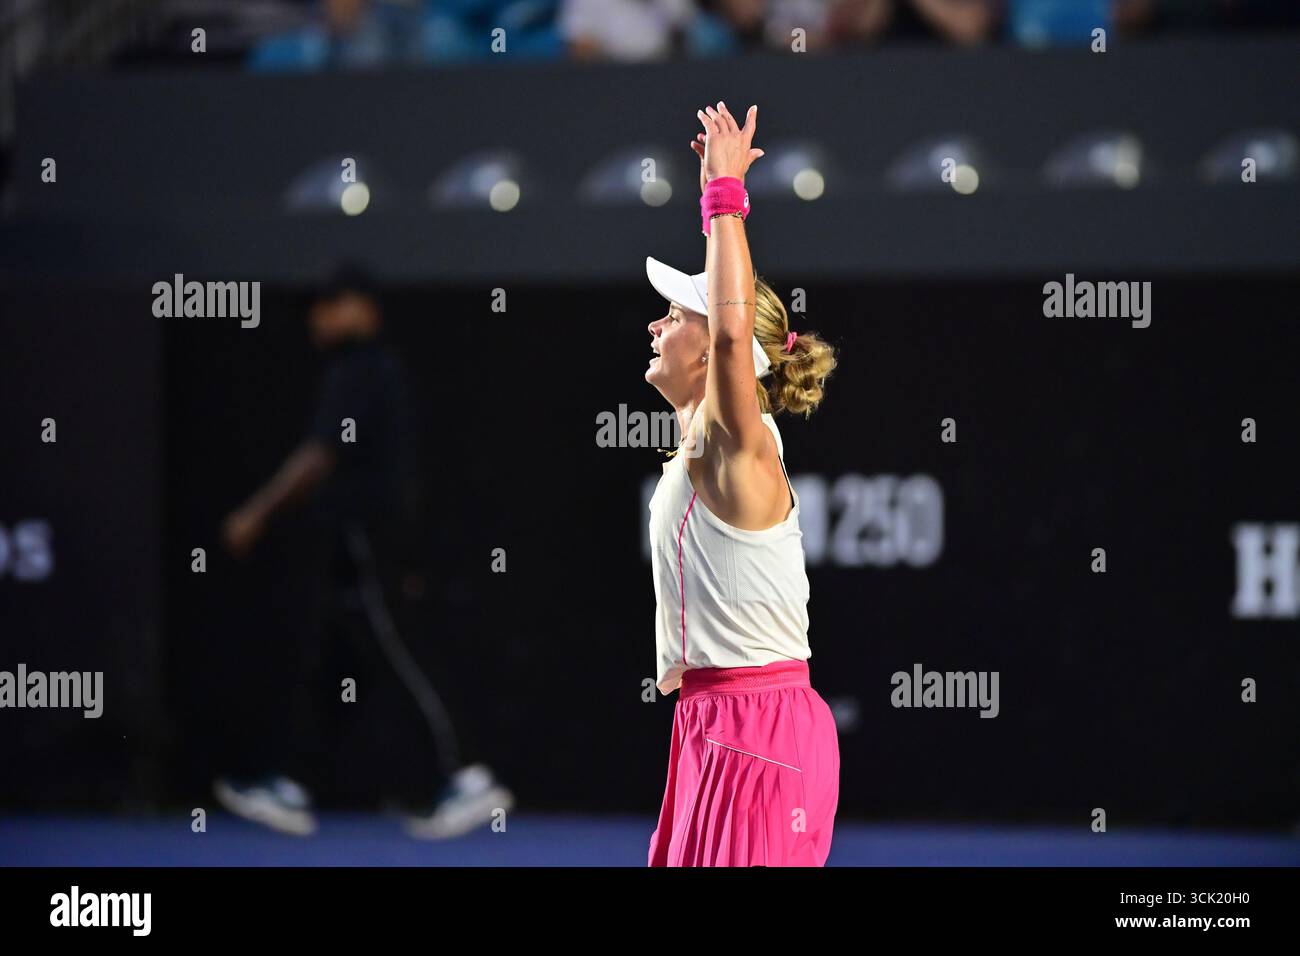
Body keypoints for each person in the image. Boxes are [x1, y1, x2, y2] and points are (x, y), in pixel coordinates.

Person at [215, 264, 512, 839]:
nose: (319, 318)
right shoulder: (370, 370)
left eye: (332, 304)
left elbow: (318, 456)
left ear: (364, 309)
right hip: (362, 538)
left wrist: (255, 513)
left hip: (370, 536)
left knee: (395, 648)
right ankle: (292, 783)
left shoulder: (363, 368)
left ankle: (466, 779)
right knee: (338, 660)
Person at [643, 102, 840, 866]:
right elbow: (730, 328)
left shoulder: (740, 443)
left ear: (714, 357)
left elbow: (732, 330)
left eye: (671, 315)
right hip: (714, 727)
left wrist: (723, 193)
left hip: (759, 733)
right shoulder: (705, 441)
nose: (656, 328)